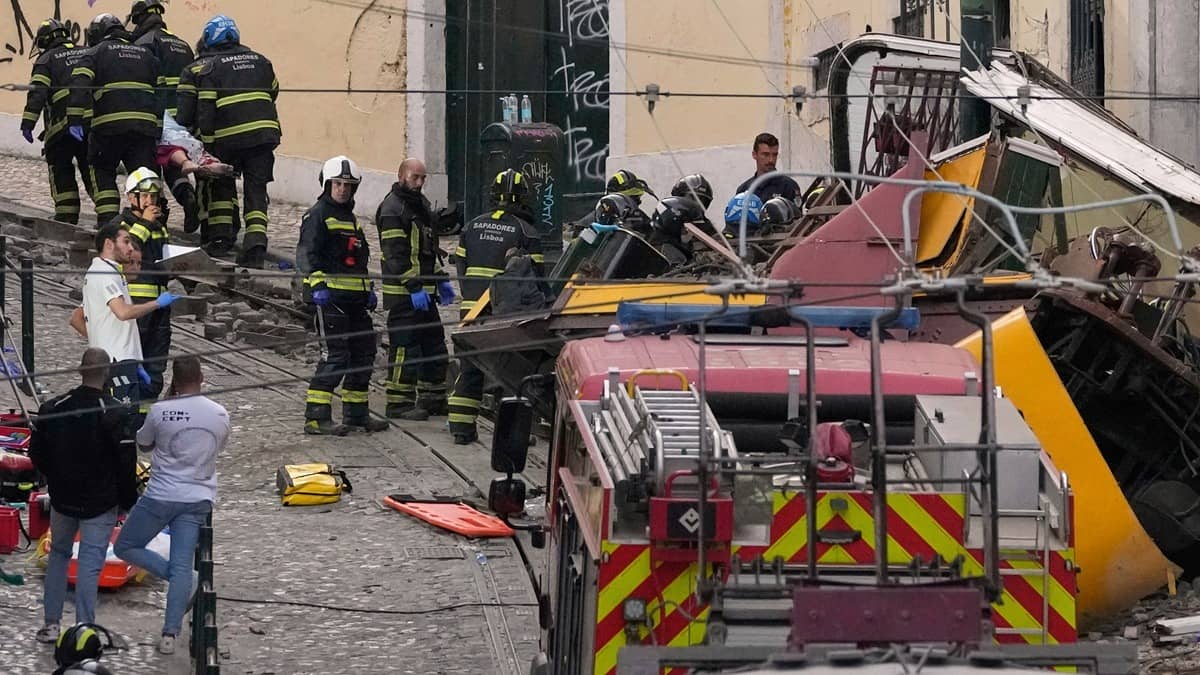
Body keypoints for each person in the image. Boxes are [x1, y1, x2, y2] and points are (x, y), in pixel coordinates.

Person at [115, 356, 229, 655]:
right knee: (181, 565)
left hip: (160, 496)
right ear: (201, 377)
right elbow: (219, 446)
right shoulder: (219, 414)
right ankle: (170, 635)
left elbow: (144, 442)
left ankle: (181, 580)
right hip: (197, 499)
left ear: (174, 380)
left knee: (125, 545)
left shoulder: (160, 410)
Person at [29, 348, 137, 642]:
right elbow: (126, 463)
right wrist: (127, 500)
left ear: (80, 370)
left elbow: (36, 452)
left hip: (63, 498)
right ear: (106, 374)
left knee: (59, 556)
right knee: (91, 562)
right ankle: (84, 628)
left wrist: (56, 477)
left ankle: (51, 624)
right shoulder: (115, 412)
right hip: (100, 502)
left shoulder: (54, 407)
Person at [448, 169, 543, 444]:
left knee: (469, 368)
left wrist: (472, 295)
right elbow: (535, 276)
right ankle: (512, 435)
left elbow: (462, 266)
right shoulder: (527, 232)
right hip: (503, 315)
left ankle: (460, 428)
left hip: (470, 309)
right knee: (509, 374)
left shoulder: (471, 226)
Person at [297, 156, 389, 435]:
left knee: (363, 354)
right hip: (331, 300)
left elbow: (358, 260)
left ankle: (356, 414)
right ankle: (316, 417)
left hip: (355, 301)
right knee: (335, 356)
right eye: (337, 184)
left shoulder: (350, 219)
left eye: (348, 185)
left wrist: (368, 291)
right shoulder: (317, 215)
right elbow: (306, 255)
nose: (342, 189)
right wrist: (316, 286)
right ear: (327, 184)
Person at [185, 15, 281, 267]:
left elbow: (205, 109)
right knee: (256, 190)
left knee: (222, 186)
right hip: (263, 137)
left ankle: (220, 238)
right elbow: (273, 91)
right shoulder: (262, 61)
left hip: (227, 138)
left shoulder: (207, 67)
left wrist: (208, 147)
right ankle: (256, 243)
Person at [375, 158, 454, 420]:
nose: (419, 183)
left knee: (434, 345)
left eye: (422, 178)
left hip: (424, 292)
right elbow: (395, 256)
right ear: (401, 176)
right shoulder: (393, 209)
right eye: (414, 178)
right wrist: (413, 285)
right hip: (404, 294)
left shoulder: (419, 206)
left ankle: (433, 398)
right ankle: (398, 403)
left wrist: (439, 278)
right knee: (404, 347)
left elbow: (426, 251)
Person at [68, 14, 161, 223]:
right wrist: (158, 125)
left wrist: (74, 119)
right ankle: (150, 222)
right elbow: (161, 90)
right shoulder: (147, 54)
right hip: (144, 129)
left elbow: (79, 85)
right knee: (144, 176)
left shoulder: (95, 53)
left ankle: (108, 221)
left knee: (102, 170)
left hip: (108, 127)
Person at [82, 221, 178, 410]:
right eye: (125, 242)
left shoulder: (111, 272)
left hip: (122, 360)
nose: (130, 247)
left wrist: (135, 358)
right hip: (117, 362)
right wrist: (157, 303)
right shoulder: (104, 273)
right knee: (122, 421)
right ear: (109, 244)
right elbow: (123, 312)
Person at [129, 0, 201, 233]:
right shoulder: (183, 45)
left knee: (150, 165)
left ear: (139, 18)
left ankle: (156, 215)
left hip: (156, 115)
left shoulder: (145, 44)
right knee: (173, 162)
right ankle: (187, 195)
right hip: (181, 115)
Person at [19, 19, 96, 225]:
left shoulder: (46, 59)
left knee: (60, 167)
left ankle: (66, 216)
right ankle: (107, 215)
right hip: (92, 123)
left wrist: (28, 122)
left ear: (45, 39)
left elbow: (38, 93)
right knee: (93, 170)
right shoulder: (87, 52)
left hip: (62, 126)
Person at [113, 168, 173, 413]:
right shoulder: (120, 225)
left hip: (160, 305)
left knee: (155, 363)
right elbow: (126, 252)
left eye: (154, 196)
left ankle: (146, 414)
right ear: (131, 197)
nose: (150, 201)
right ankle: (125, 412)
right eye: (144, 196)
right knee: (130, 360)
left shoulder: (159, 227)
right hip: (134, 305)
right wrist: (145, 223)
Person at [735, 132, 801, 203]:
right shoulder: (744, 190)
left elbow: (796, 213)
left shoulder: (789, 186)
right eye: (766, 154)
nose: (771, 160)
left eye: (774, 155)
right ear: (754, 155)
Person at [604, 169, 656, 235]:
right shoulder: (597, 219)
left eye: (637, 197)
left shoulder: (639, 217)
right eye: (633, 197)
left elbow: (652, 237)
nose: (638, 201)